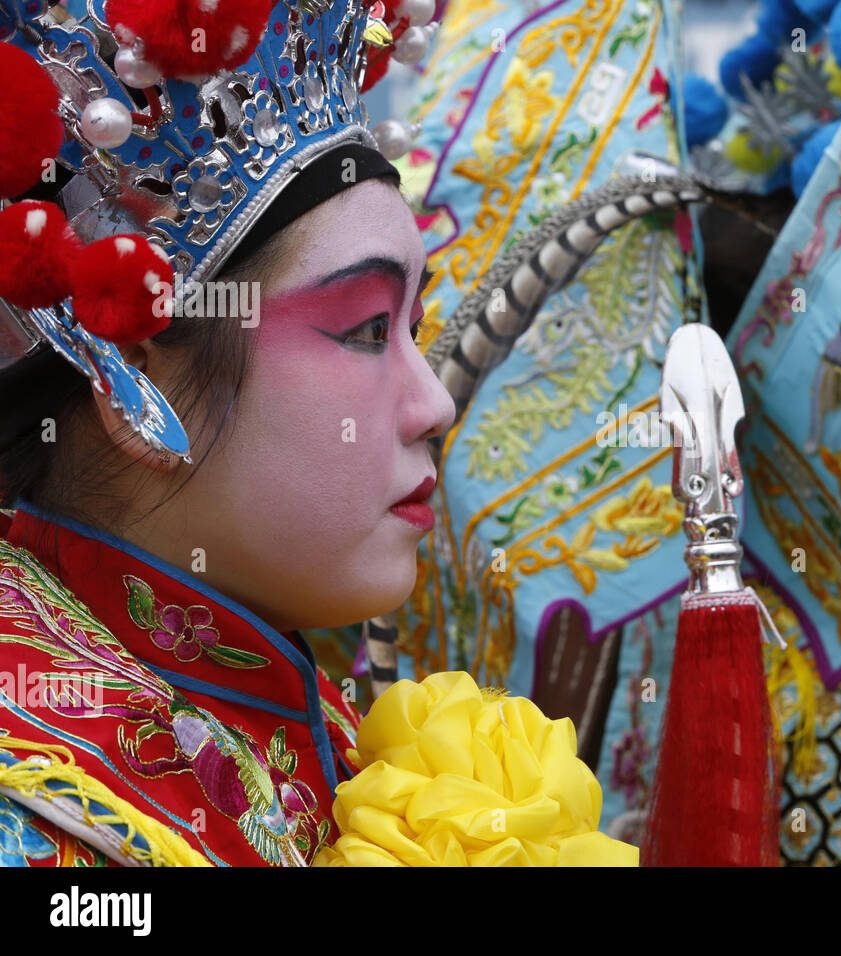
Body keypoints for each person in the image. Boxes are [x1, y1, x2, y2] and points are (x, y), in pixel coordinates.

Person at [0, 0, 630, 868]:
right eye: (367, 329)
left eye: (415, 323)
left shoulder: (307, 726)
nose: (434, 404)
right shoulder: (42, 817)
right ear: (134, 379)